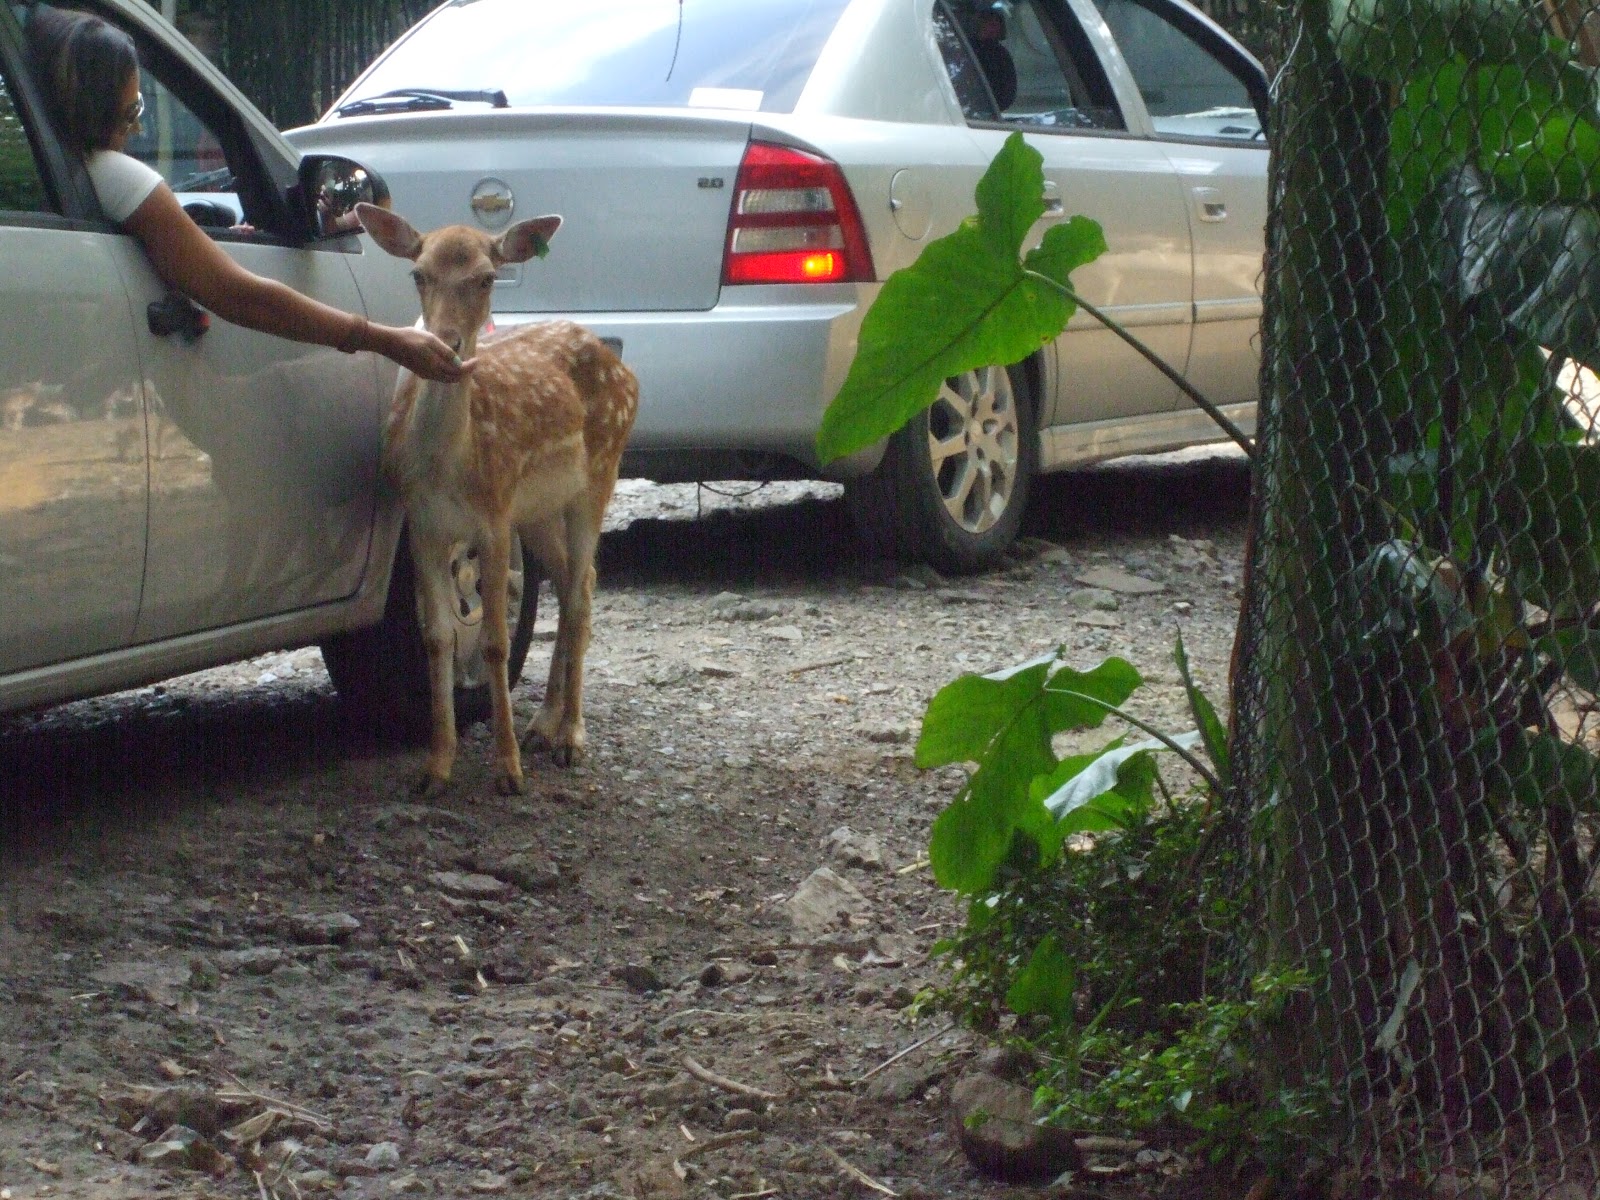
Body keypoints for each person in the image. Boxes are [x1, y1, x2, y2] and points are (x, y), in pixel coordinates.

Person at [25, 6, 472, 384]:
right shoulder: (111, 173)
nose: (138, 129)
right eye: (130, 113)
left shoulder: (63, 174)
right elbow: (237, 294)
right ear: (92, 109)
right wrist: (386, 340)